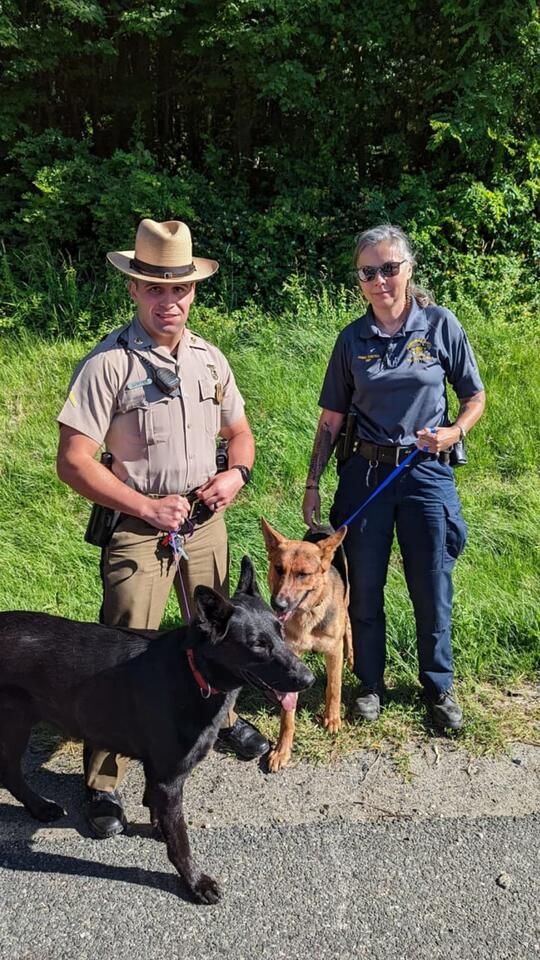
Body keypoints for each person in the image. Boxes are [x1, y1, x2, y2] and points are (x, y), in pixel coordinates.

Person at [56, 218, 269, 838]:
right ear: (133, 291)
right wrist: (146, 507)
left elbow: (240, 433)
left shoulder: (209, 360)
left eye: (178, 289)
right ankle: (101, 783)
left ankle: (219, 723)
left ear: (193, 292)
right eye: (153, 288)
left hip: (205, 525)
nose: (167, 300)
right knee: (124, 649)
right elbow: (72, 462)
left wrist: (238, 475)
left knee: (216, 636)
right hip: (139, 526)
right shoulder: (108, 365)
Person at [302, 224, 485, 731]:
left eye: (389, 268)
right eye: (369, 271)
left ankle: (438, 686)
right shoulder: (351, 339)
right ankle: (369, 684)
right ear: (359, 280)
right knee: (364, 584)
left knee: (432, 583)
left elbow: (475, 397)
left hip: (426, 472)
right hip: (365, 473)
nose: (380, 279)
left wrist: (454, 433)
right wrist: (314, 482)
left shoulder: (441, 324)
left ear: (408, 269)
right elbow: (331, 419)